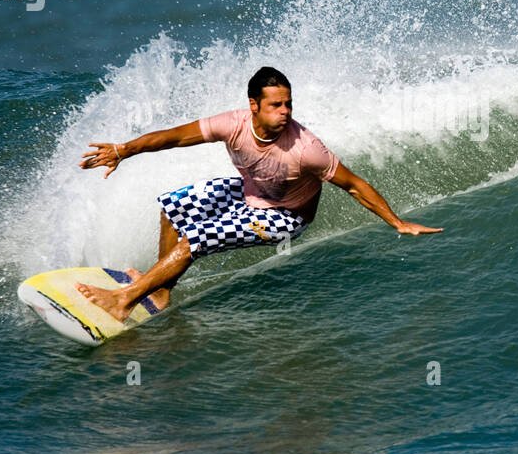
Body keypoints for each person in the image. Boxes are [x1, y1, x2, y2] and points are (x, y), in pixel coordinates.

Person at [75, 66, 442, 320]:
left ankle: (124, 300)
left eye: (288, 104)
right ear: (254, 106)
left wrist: (397, 222)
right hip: (252, 192)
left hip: (285, 217)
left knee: (195, 239)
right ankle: (160, 290)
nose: (285, 112)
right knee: (171, 205)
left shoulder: (306, 148)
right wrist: (124, 150)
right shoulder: (231, 124)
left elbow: (353, 185)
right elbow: (172, 137)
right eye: (276, 105)